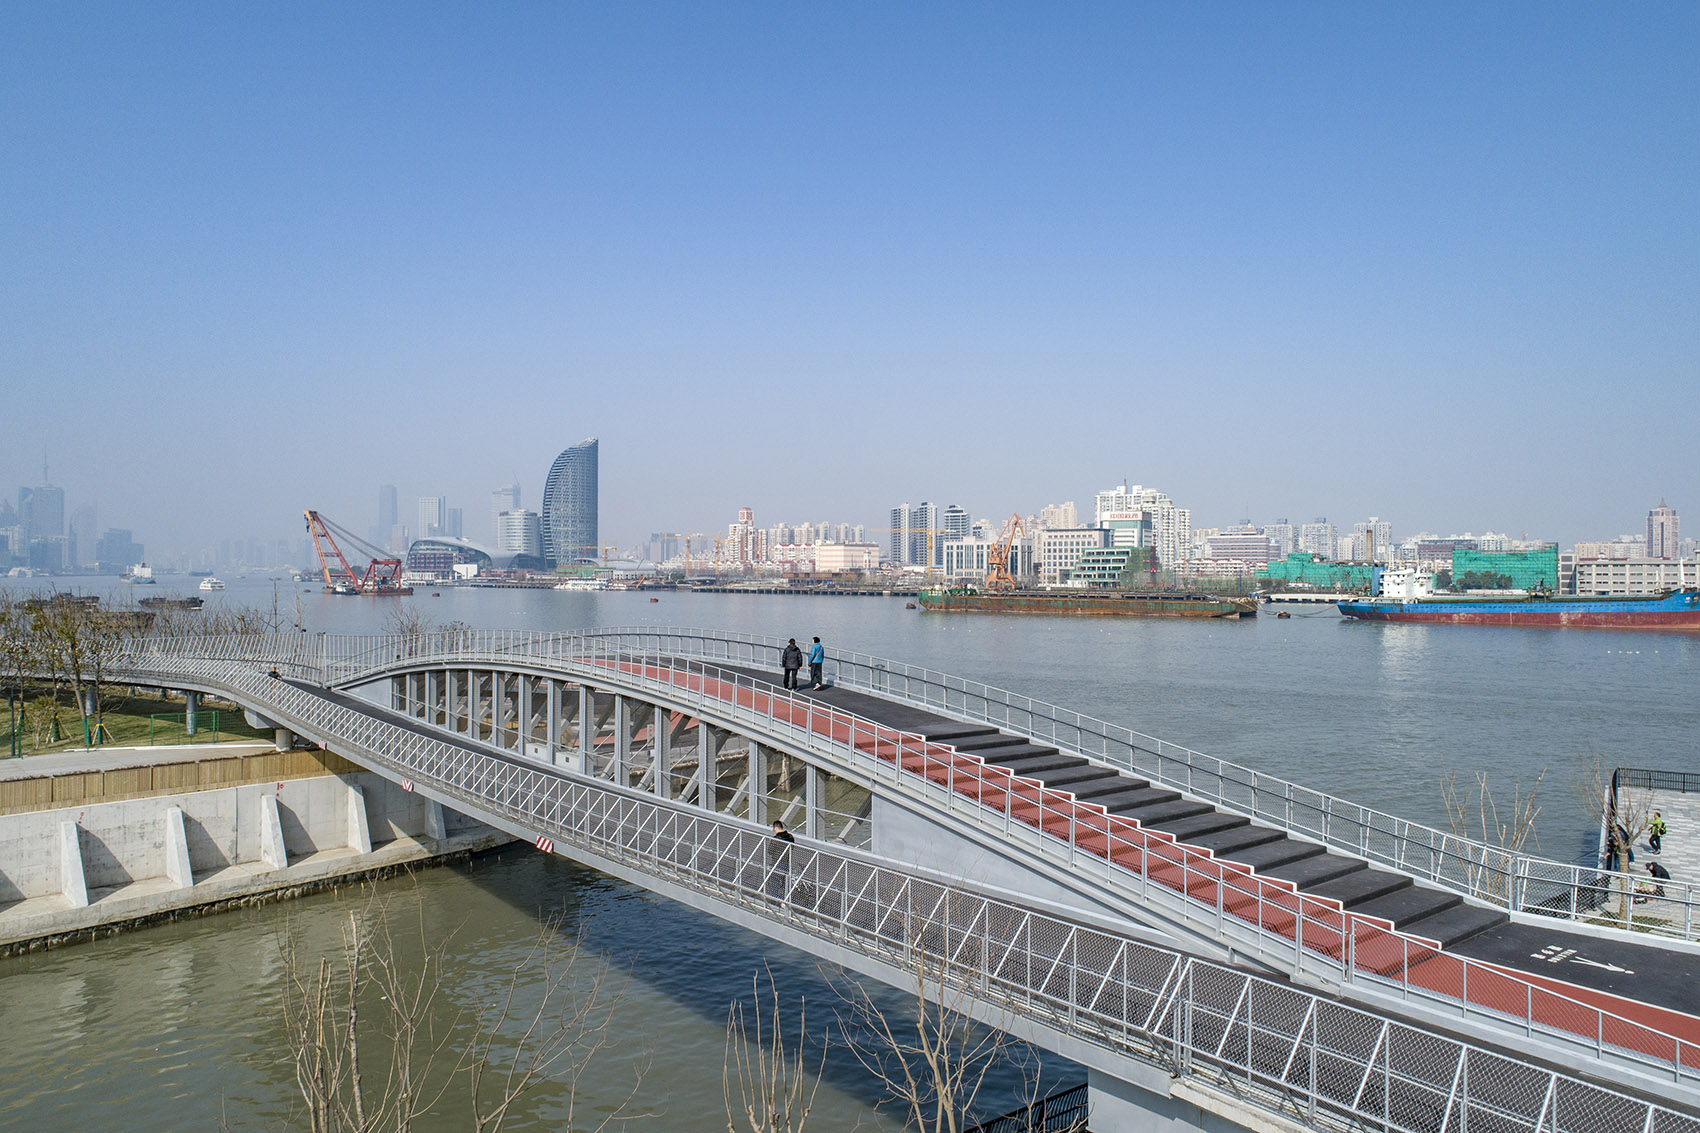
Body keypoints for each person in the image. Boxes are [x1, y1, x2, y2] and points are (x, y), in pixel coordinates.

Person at [768, 820, 796, 899]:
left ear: (775, 827)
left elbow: (770, 851)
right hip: (786, 862)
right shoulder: (790, 837)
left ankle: (774, 899)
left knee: (774, 881)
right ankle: (786, 899)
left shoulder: (775, 839)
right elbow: (792, 847)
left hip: (777, 863)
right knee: (785, 882)